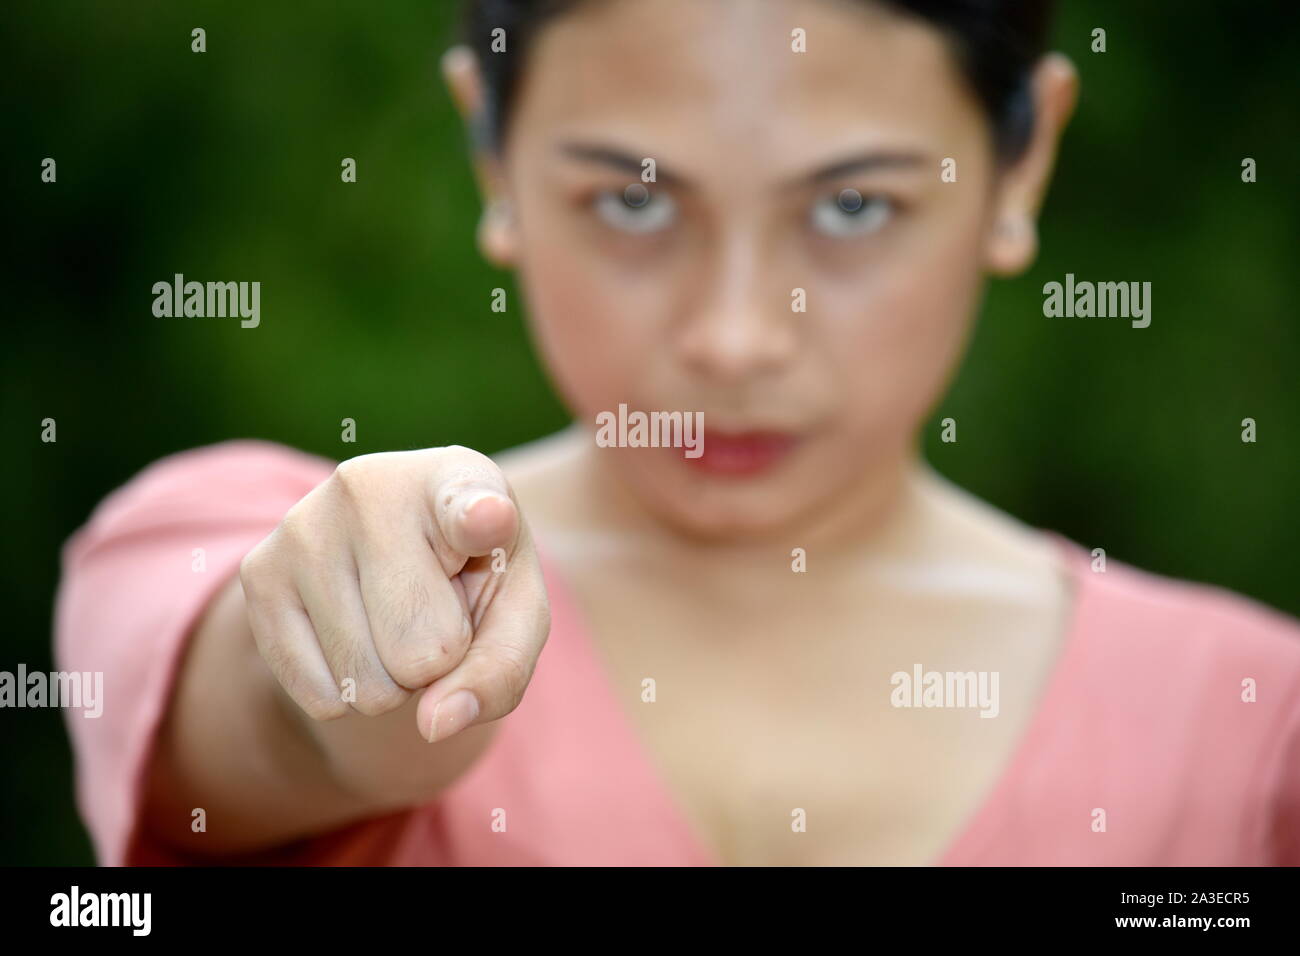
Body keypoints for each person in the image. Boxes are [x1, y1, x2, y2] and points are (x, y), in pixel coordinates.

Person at [56, 0, 1300, 866]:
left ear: (1019, 165)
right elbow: (254, 714)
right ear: (490, 146)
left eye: (855, 205)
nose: (736, 334)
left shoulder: (1255, 729)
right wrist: (365, 666)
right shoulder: (232, 545)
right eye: (635, 200)